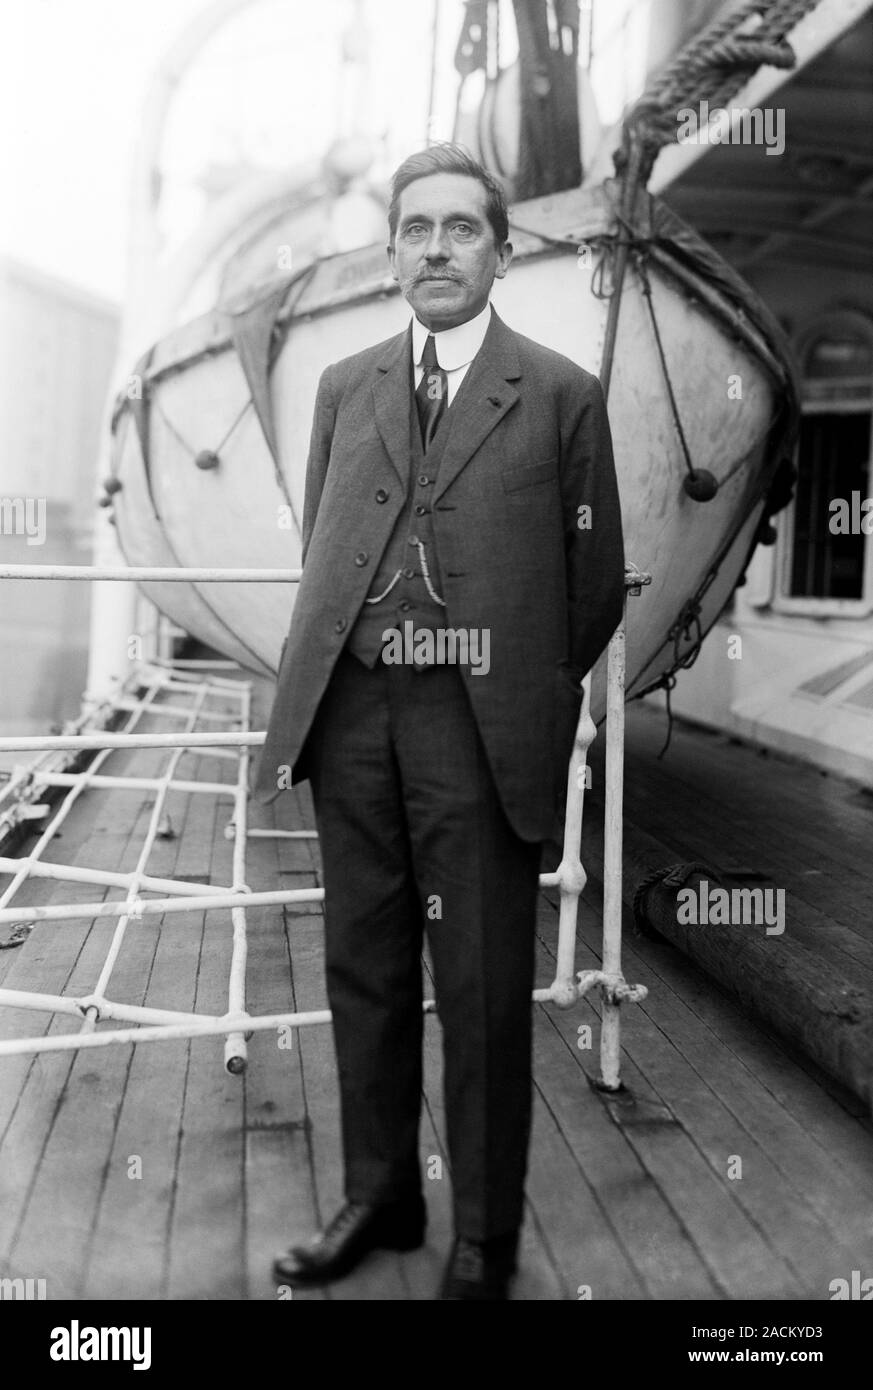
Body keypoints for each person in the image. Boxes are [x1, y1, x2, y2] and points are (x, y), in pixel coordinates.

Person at [254, 142, 624, 1300]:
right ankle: (381, 1194)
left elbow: (594, 581)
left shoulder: (560, 393)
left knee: (476, 989)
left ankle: (484, 1238)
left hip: (479, 730)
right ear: (391, 253)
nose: (437, 248)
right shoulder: (342, 386)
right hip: (353, 716)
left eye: (462, 229)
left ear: (502, 254)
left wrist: (521, 702)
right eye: (416, 229)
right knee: (362, 970)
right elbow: (326, 538)